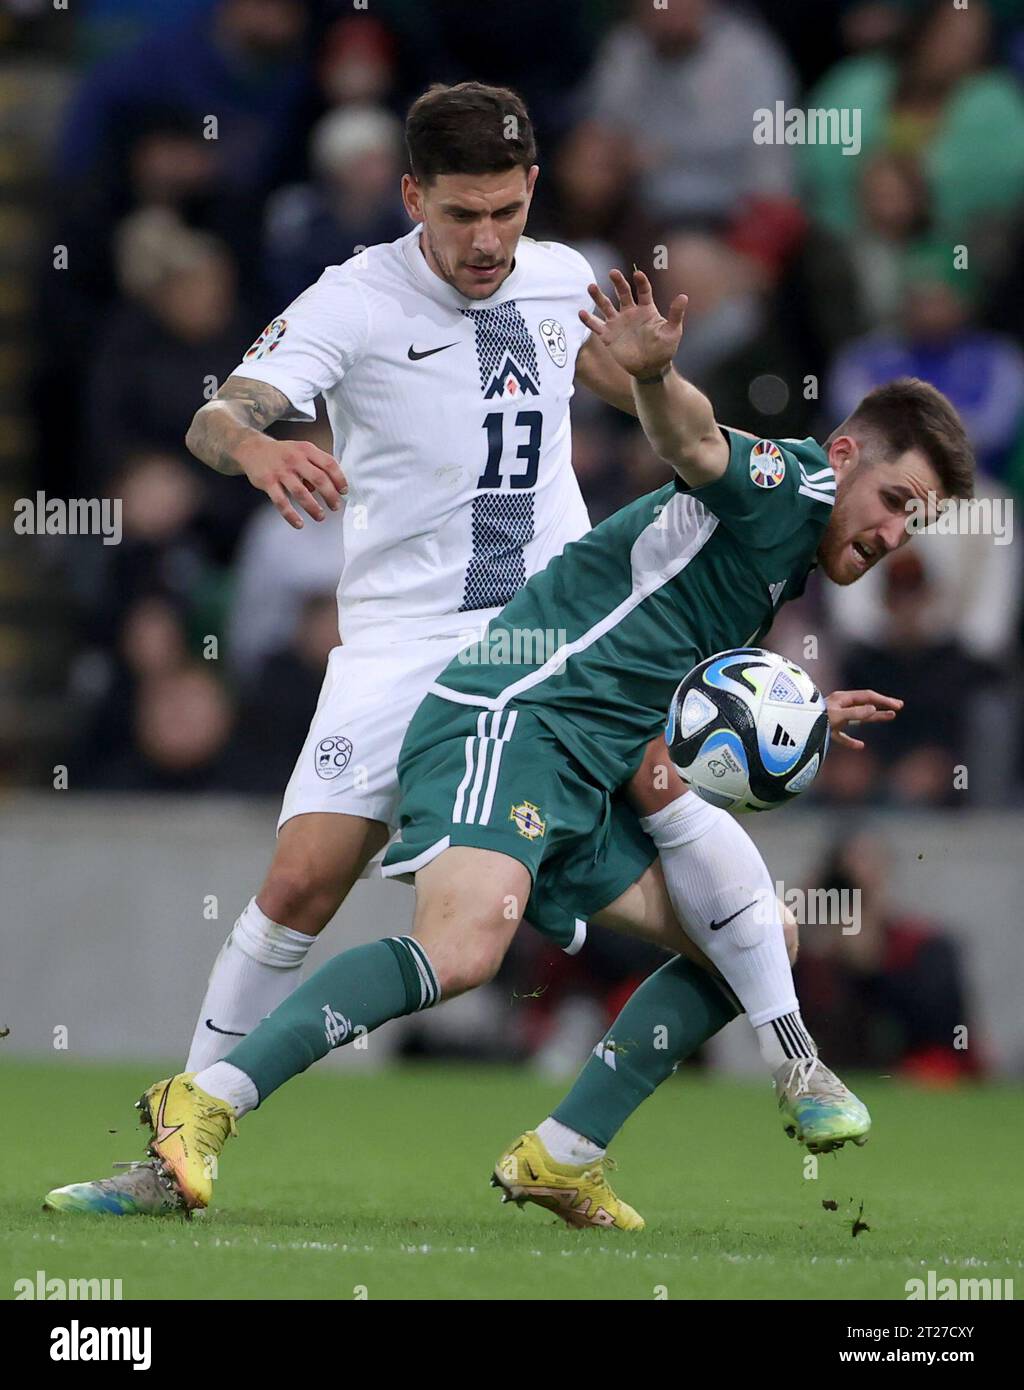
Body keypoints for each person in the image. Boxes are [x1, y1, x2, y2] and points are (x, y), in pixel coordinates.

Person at [47, 272, 974, 1228]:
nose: (897, 534)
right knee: (464, 946)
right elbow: (696, 438)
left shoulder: (791, 543)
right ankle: (202, 1101)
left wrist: (800, 712)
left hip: (598, 751)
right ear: (848, 452)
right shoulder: (793, 484)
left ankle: (565, 1155)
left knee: (753, 943)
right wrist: (655, 380)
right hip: (517, 715)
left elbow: (677, 641)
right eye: (898, 500)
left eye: (920, 522)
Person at [41, 79, 645, 1217]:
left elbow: (646, 396)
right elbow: (219, 413)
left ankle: (643, 1116)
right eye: (461, 213)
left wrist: (677, 396)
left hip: (549, 639)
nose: (486, 240)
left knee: (689, 843)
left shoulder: (567, 277)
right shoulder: (354, 296)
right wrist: (258, 452)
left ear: (531, 194)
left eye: (507, 211)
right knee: (304, 879)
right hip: (405, 640)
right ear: (413, 195)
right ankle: (185, 1128)